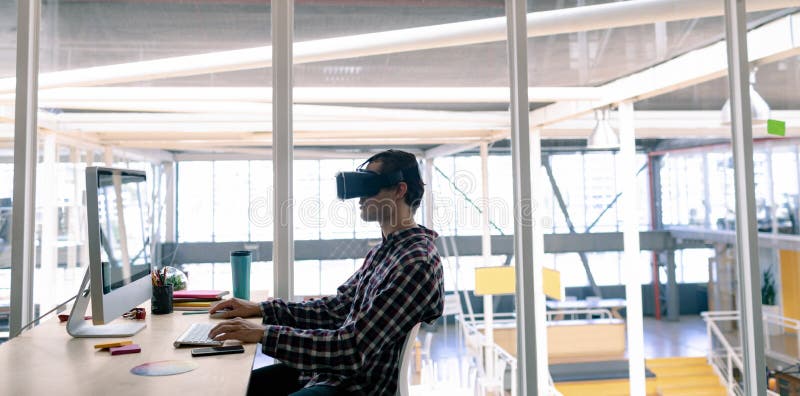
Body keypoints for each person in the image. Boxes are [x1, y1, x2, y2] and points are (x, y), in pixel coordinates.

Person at [208, 149, 444, 396]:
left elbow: (352, 348)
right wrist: (261, 310)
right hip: (327, 374)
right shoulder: (385, 252)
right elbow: (334, 309)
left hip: (354, 387)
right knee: (229, 386)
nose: (360, 196)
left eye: (369, 185)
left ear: (399, 190)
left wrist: (263, 333)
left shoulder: (416, 263)